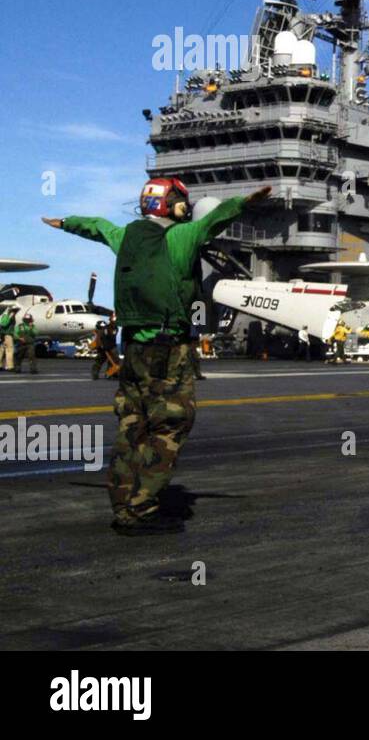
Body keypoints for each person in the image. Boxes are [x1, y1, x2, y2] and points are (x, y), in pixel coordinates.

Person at [45, 178, 270, 535]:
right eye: (182, 203)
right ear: (175, 205)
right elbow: (215, 221)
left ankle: (124, 505)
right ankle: (142, 508)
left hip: (132, 347)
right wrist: (245, 202)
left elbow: (98, 227)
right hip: (168, 348)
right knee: (169, 422)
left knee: (132, 425)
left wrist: (67, 222)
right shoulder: (181, 236)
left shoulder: (127, 237)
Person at [0, 307, 15, 373]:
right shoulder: (7, 316)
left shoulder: (3, 315)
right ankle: (10, 366)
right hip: (7, 335)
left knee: (1, 350)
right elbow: (4, 324)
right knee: (9, 350)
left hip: (3, 335)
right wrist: (10, 317)